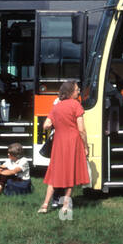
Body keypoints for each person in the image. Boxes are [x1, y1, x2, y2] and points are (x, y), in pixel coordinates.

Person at [39, 80, 89, 214]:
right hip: (73, 142)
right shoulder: (76, 105)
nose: (78, 91)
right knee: (70, 173)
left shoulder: (56, 106)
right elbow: (82, 130)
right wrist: (86, 146)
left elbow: (46, 125)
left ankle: (44, 205)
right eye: (77, 89)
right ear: (70, 92)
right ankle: (66, 205)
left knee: (54, 172)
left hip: (59, 143)